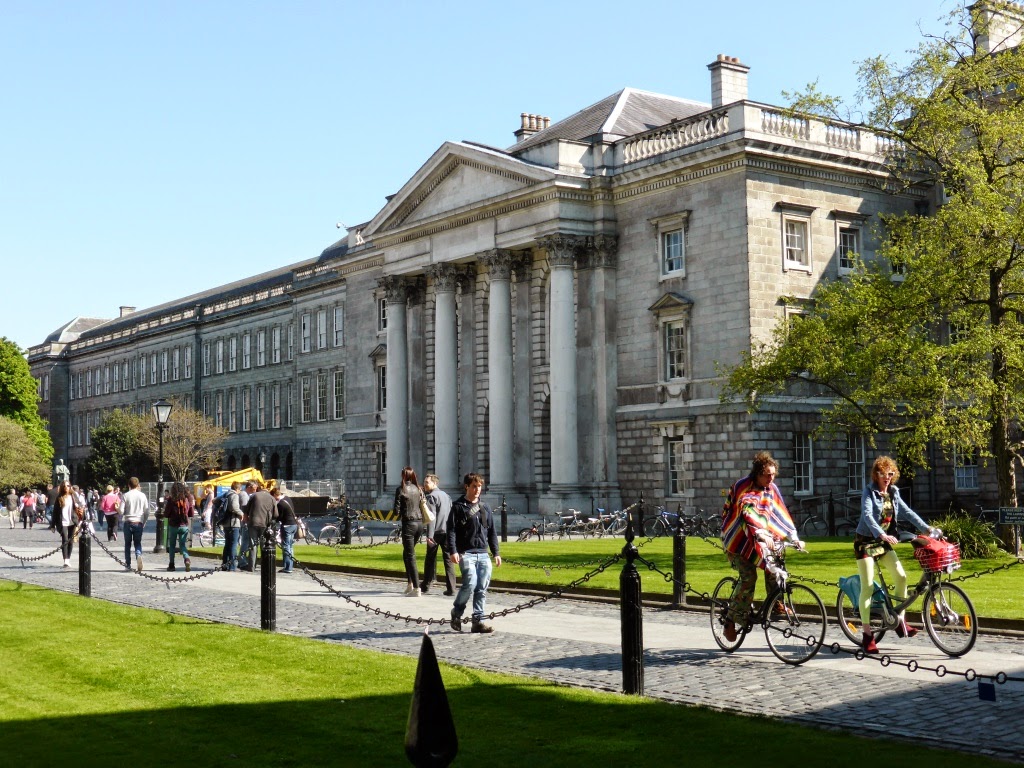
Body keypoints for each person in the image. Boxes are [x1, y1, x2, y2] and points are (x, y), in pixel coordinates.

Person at [720, 451, 803, 642]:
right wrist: (759, 532)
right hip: (739, 541)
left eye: (773, 474)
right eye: (767, 475)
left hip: (762, 539)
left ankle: (776, 603)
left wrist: (793, 537)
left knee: (775, 567)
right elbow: (746, 512)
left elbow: (780, 514)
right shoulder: (743, 487)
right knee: (748, 578)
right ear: (757, 473)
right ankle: (730, 620)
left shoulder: (771, 489)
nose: (771, 478)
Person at [855, 455, 935, 653]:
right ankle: (867, 635)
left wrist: (927, 529)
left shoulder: (894, 492)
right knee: (867, 586)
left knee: (901, 577)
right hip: (866, 542)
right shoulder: (869, 492)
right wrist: (881, 533)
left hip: (883, 543)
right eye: (883, 474)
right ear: (876, 474)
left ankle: (899, 619)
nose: (887, 477)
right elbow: (867, 515)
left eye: (890, 473)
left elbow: (908, 512)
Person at [447, 472, 501, 633]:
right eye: (474, 486)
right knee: (470, 584)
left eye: (479, 486)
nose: (477, 490)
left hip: (483, 552)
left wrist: (496, 553)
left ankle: (478, 620)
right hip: (466, 552)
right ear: (467, 487)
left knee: (481, 588)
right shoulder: (458, 507)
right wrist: (453, 551)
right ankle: (457, 612)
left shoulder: (485, 507)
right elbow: (451, 531)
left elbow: (491, 531)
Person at [420, 474, 455, 595]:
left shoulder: (431, 497)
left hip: (435, 533)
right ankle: (451, 587)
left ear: (435, 483)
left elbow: (431, 517)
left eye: (427, 482)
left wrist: (429, 535)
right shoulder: (447, 496)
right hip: (447, 531)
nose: (425, 485)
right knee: (448, 560)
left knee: (430, 559)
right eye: (425, 482)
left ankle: (426, 585)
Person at [394, 466, 425, 596]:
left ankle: (417, 588)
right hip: (420, 524)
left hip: (409, 523)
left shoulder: (401, 489)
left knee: (410, 555)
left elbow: (396, 511)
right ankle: (410, 584)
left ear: (403, 476)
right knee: (406, 553)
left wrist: (399, 511)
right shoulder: (418, 489)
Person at [242, 481, 277, 572]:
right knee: (264, 545)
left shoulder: (254, 496)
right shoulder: (271, 498)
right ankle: (264, 566)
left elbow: (246, 509)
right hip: (265, 523)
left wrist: (247, 517)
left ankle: (251, 566)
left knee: (252, 545)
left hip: (253, 522)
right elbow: (276, 514)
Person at [121, 477, 149, 572]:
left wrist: (119, 509)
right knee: (137, 542)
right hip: (138, 522)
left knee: (127, 544)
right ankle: (138, 554)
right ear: (138, 485)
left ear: (128, 485)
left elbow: (121, 511)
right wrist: (144, 521)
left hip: (128, 522)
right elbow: (146, 511)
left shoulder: (125, 495)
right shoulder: (142, 495)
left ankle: (128, 564)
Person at [165, 482, 194, 572]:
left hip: (174, 525)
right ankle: (187, 559)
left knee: (172, 546)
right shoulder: (186, 499)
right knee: (182, 545)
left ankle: (171, 565)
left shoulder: (171, 500)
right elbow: (191, 513)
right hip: (184, 525)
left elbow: (166, 514)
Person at [49, 481, 79, 568]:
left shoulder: (73, 496)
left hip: (72, 521)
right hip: (62, 522)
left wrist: (77, 505)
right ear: (62, 487)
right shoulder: (59, 497)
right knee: (65, 539)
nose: (67, 487)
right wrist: (52, 525)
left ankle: (68, 558)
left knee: (70, 540)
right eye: (65, 486)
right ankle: (65, 560)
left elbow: (80, 506)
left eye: (68, 485)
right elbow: (55, 512)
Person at [271, 487, 297, 574]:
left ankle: (287, 567)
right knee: (290, 546)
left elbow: (279, 517)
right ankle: (290, 566)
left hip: (286, 525)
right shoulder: (287, 499)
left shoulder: (280, 504)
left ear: (275, 495)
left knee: (286, 547)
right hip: (294, 524)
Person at [219, 482, 244, 571]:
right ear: (237, 489)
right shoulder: (234, 495)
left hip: (226, 522)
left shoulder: (226, 494)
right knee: (233, 544)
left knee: (227, 544)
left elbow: (215, 500)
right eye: (240, 490)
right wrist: (241, 513)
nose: (240, 491)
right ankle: (232, 566)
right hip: (233, 523)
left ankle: (225, 564)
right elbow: (234, 507)